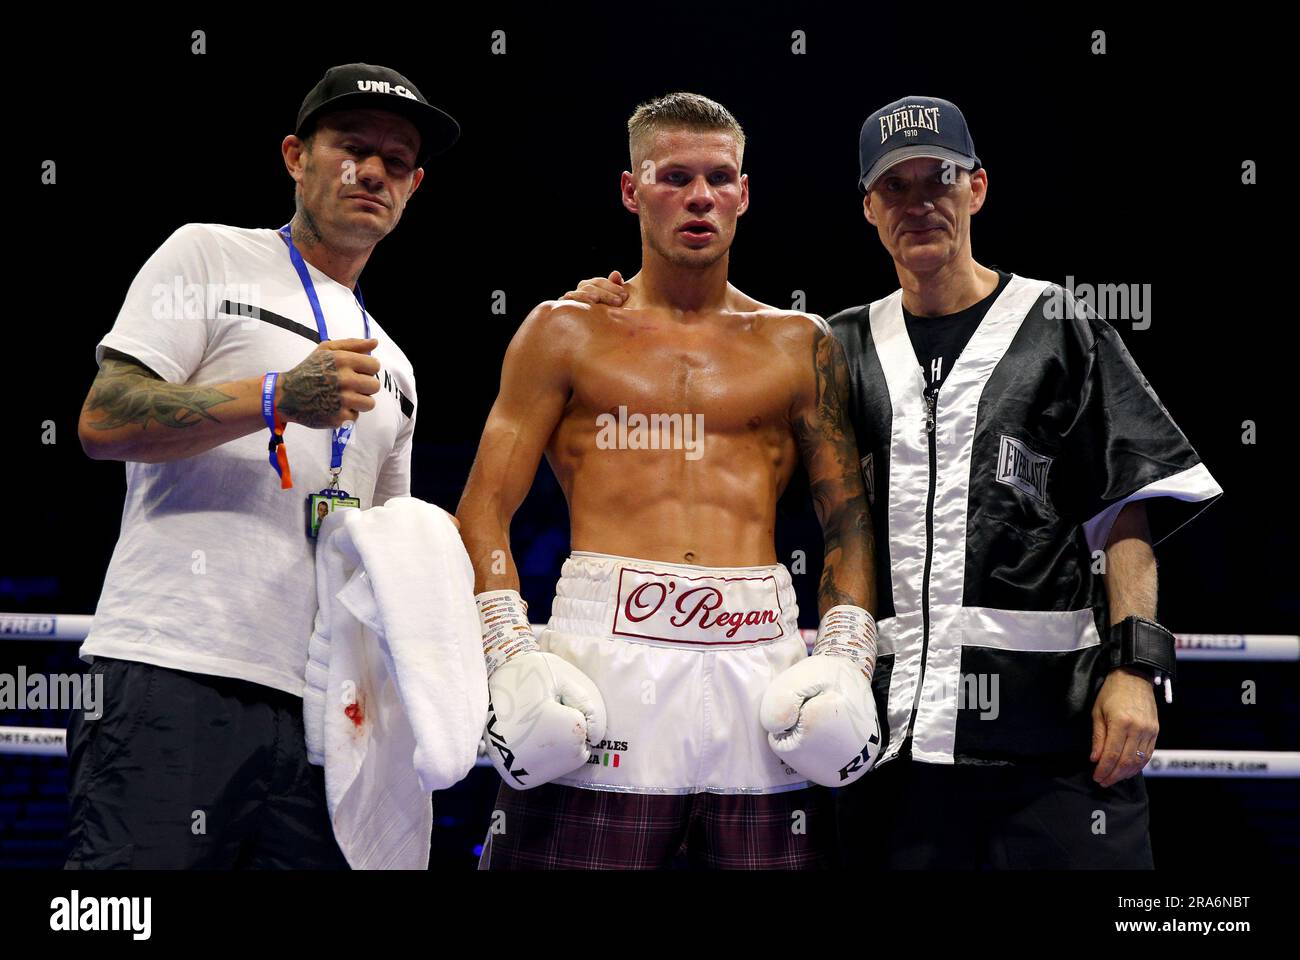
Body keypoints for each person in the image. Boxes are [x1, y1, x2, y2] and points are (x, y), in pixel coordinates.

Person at [565, 95, 1222, 868]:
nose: (920, 204)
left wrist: (1137, 668)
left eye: (937, 180)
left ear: (976, 188)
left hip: (1058, 742)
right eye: (896, 188)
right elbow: (724, 454)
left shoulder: (1063, 325)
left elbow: (1126, 514)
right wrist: (628, 319)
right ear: (870, 208)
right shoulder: (835, 347)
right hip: (883, 752)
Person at [458, 92, 880, 870]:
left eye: (720, 178)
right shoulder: (565, 330)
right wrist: (508, 653)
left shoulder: (800, 343)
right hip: (601, 666)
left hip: (760, 671)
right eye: (674, 176)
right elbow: (484, 506)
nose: (699, 197)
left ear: (744, 195)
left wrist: (851, 657)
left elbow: (848, 521)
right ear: (631, 189)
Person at [68, 63, 459, 869]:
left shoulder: (401, 368)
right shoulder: (208, 256)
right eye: (354, 147)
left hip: (326, 713)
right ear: (295, 156)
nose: (374, 171)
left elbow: (384, 557)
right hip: (176, 666)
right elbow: (104, 421)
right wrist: (277, 394)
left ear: (414, 186)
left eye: (397, 160)